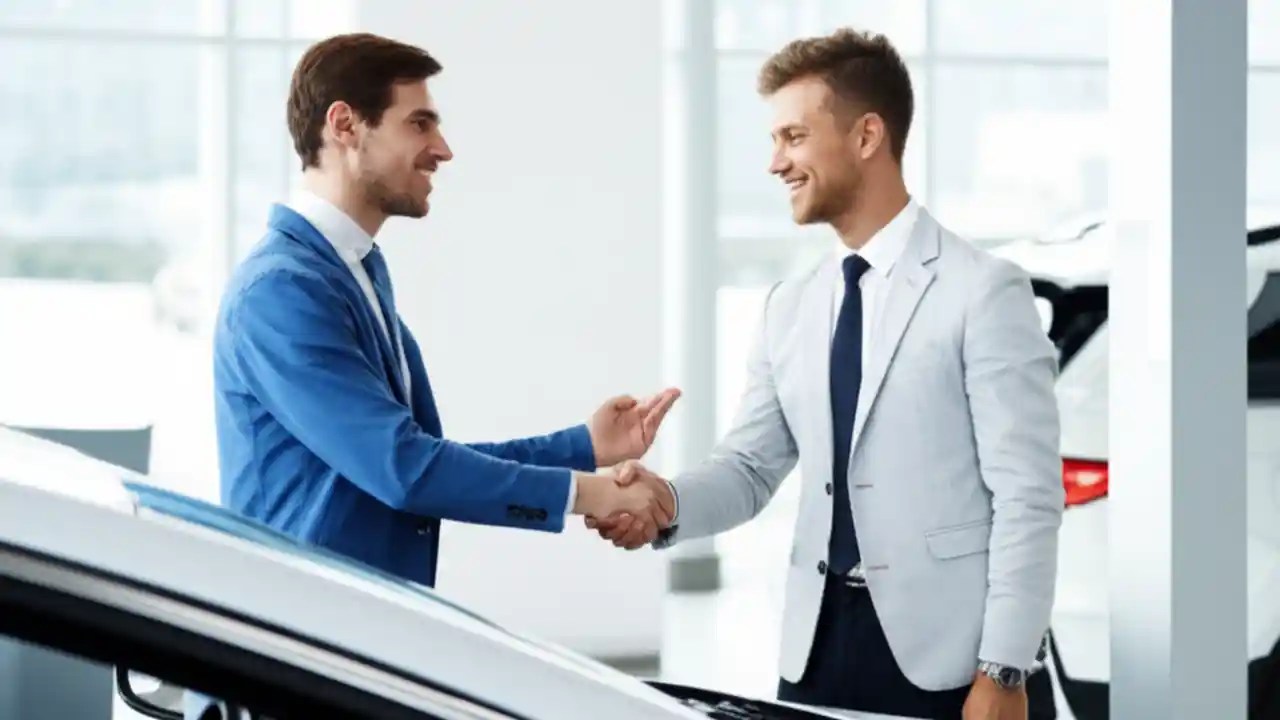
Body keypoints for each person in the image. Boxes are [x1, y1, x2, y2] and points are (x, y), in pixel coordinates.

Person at [589, 28, 1062, 720]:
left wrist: (1006, 668)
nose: (775, 162)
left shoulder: (982, 291)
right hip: (816, 652)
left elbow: (1028, 496)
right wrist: (666, 503)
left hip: (954, 664)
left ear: (867, 136)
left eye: (792, 137)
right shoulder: (792, 306)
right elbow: (750, 468)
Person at [212, 32, 679, 591]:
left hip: (352, 628)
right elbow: (405, 470)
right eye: (419, 124)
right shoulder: (281, 292)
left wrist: (584, 446)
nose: (443, 148)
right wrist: (594, 492)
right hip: (293, 643)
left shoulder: (353, 272)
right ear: (344, 126)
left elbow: (415, 456)